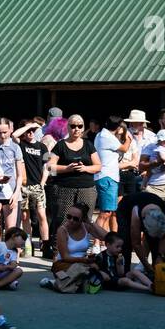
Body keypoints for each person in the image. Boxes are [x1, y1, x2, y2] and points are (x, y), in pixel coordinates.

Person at [46, 115, 101, 240]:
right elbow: (49, 167)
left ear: (83, 128)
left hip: (86, 188)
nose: (76, 129)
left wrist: (85, 168)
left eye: (79, 126)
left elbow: (98, 166)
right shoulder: (60, 145)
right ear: (68, 128)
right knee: (63, 219)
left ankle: (81, 248)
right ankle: (59, 248)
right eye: (73, 126)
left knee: (85, 220)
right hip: (64, 188)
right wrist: (67, 168)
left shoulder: (88, 145)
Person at [41, 202, 108, 293]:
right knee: (89, 271)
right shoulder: (62, 230)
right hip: (64, 264)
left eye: (76, 219)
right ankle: (54, 283)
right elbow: (65, 257)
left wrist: (91, 222)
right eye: (69, 217)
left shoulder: (86, 226)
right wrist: (84, 261)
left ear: (83, 219)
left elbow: (106, 237)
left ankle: (78, 282)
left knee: (102, 274)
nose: (71, 220)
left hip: (83, 264)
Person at [115, 190, 165, 271]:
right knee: (126, 243)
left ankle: (157, 270)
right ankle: (125, 272)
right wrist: (146, 265)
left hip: (146, 207)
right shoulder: (136, 213)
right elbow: (136, 243)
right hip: (125, 210)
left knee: (155, 244)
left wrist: (160, 256)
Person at [16, 121, 48, 256]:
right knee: (25, 216)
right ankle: (28, 244)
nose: (30, 132)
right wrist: (29, 125)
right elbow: (13, 135)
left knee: (41, 215)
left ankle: (46, 245)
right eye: (28, 130)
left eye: (33, 130)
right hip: (24, 185)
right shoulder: (21, 144)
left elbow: (47, 166)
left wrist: (42, 183)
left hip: (37, 185)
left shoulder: (43, 146)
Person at [92, 114, 125, 236]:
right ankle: (95, 241)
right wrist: (128, 136)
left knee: (107, 212)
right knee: (106, 213)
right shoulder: (107, 137)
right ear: (117, 127)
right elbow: (125, 148)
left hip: (106, 176)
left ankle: (101, 242)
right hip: (108, 177)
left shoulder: (102, 134)